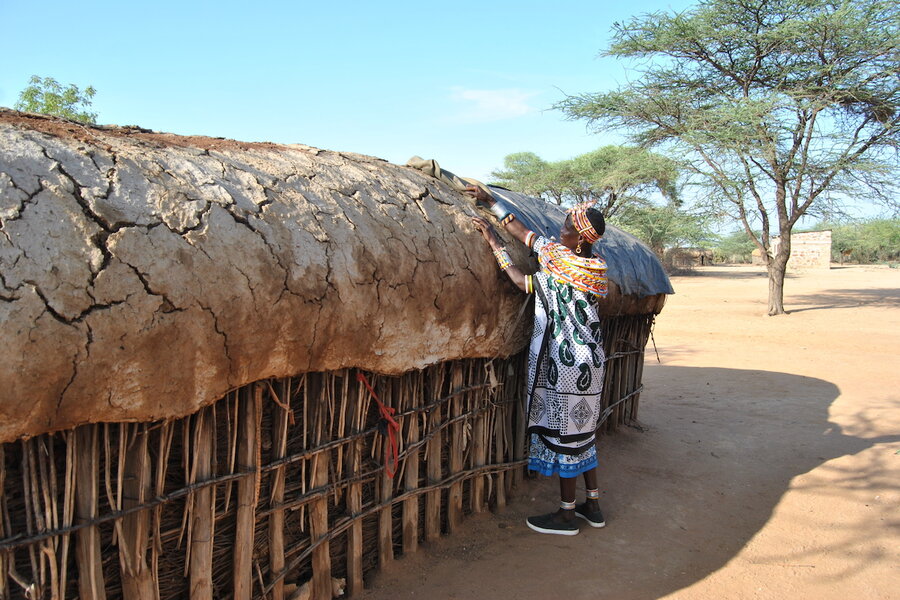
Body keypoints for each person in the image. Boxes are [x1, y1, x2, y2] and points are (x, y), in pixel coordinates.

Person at [466, 185, 608, 536]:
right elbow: (528, 234)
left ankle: (565, 514)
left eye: (567, 229)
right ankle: (593, 505)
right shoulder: (593, 267)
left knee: (564, 438)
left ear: (578, 239)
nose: (560, 231)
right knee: (583, 434)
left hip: (566, 364)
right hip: (592, 359)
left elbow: (520, 272)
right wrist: (491, 200)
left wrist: (494, 244)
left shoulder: (560, 261)